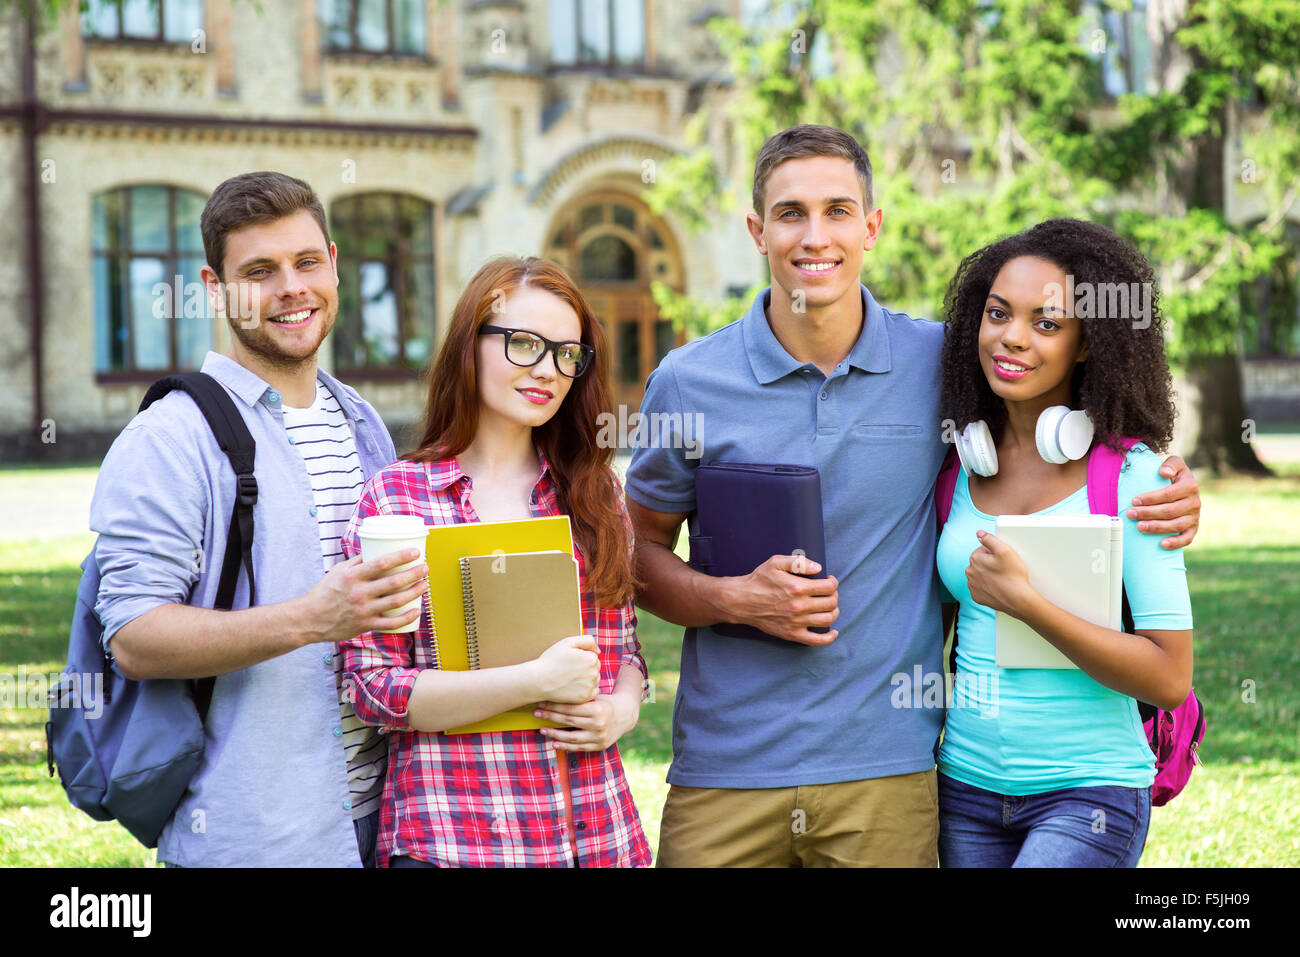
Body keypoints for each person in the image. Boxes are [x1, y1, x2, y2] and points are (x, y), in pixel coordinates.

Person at [625, 124, 1203, 867]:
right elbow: (635, 553)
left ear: (871, 227)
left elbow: (1063, 416)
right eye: (790, 212)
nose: (815, 236)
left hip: (890, 774)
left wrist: (1168, 484)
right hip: (728, 770)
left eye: (838, 210)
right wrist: (736, 598)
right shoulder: (687, 380)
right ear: (755, 230)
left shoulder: (941, 363)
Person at [91, 171, 428, 867]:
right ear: (215, 288)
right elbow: (133, 635)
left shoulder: (361, 421)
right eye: (260, 271)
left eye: (306, 262)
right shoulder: (171, 437)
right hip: (255, 836)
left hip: (386, 819)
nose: (292, 288)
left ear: (334, 263)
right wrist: (313, 617)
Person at [339, 256, 651, 868]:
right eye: (526, 345)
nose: (549, 371)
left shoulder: (596, 496)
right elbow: (375, 690)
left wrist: (618, 711)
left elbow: (627, 655)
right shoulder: (399, 499)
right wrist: (534, 683)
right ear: (470, 344)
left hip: (589, 830)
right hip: (452, 833)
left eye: (567, 354)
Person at [934, 219, 1192, 867]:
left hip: (1087, 791)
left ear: (1086, 343)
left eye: (1046, 323)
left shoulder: (1132, 477)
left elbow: (1168, 675)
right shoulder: (960, 468)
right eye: (998, 314)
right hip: (963, 787)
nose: (1013, 338)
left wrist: (1029, 603)